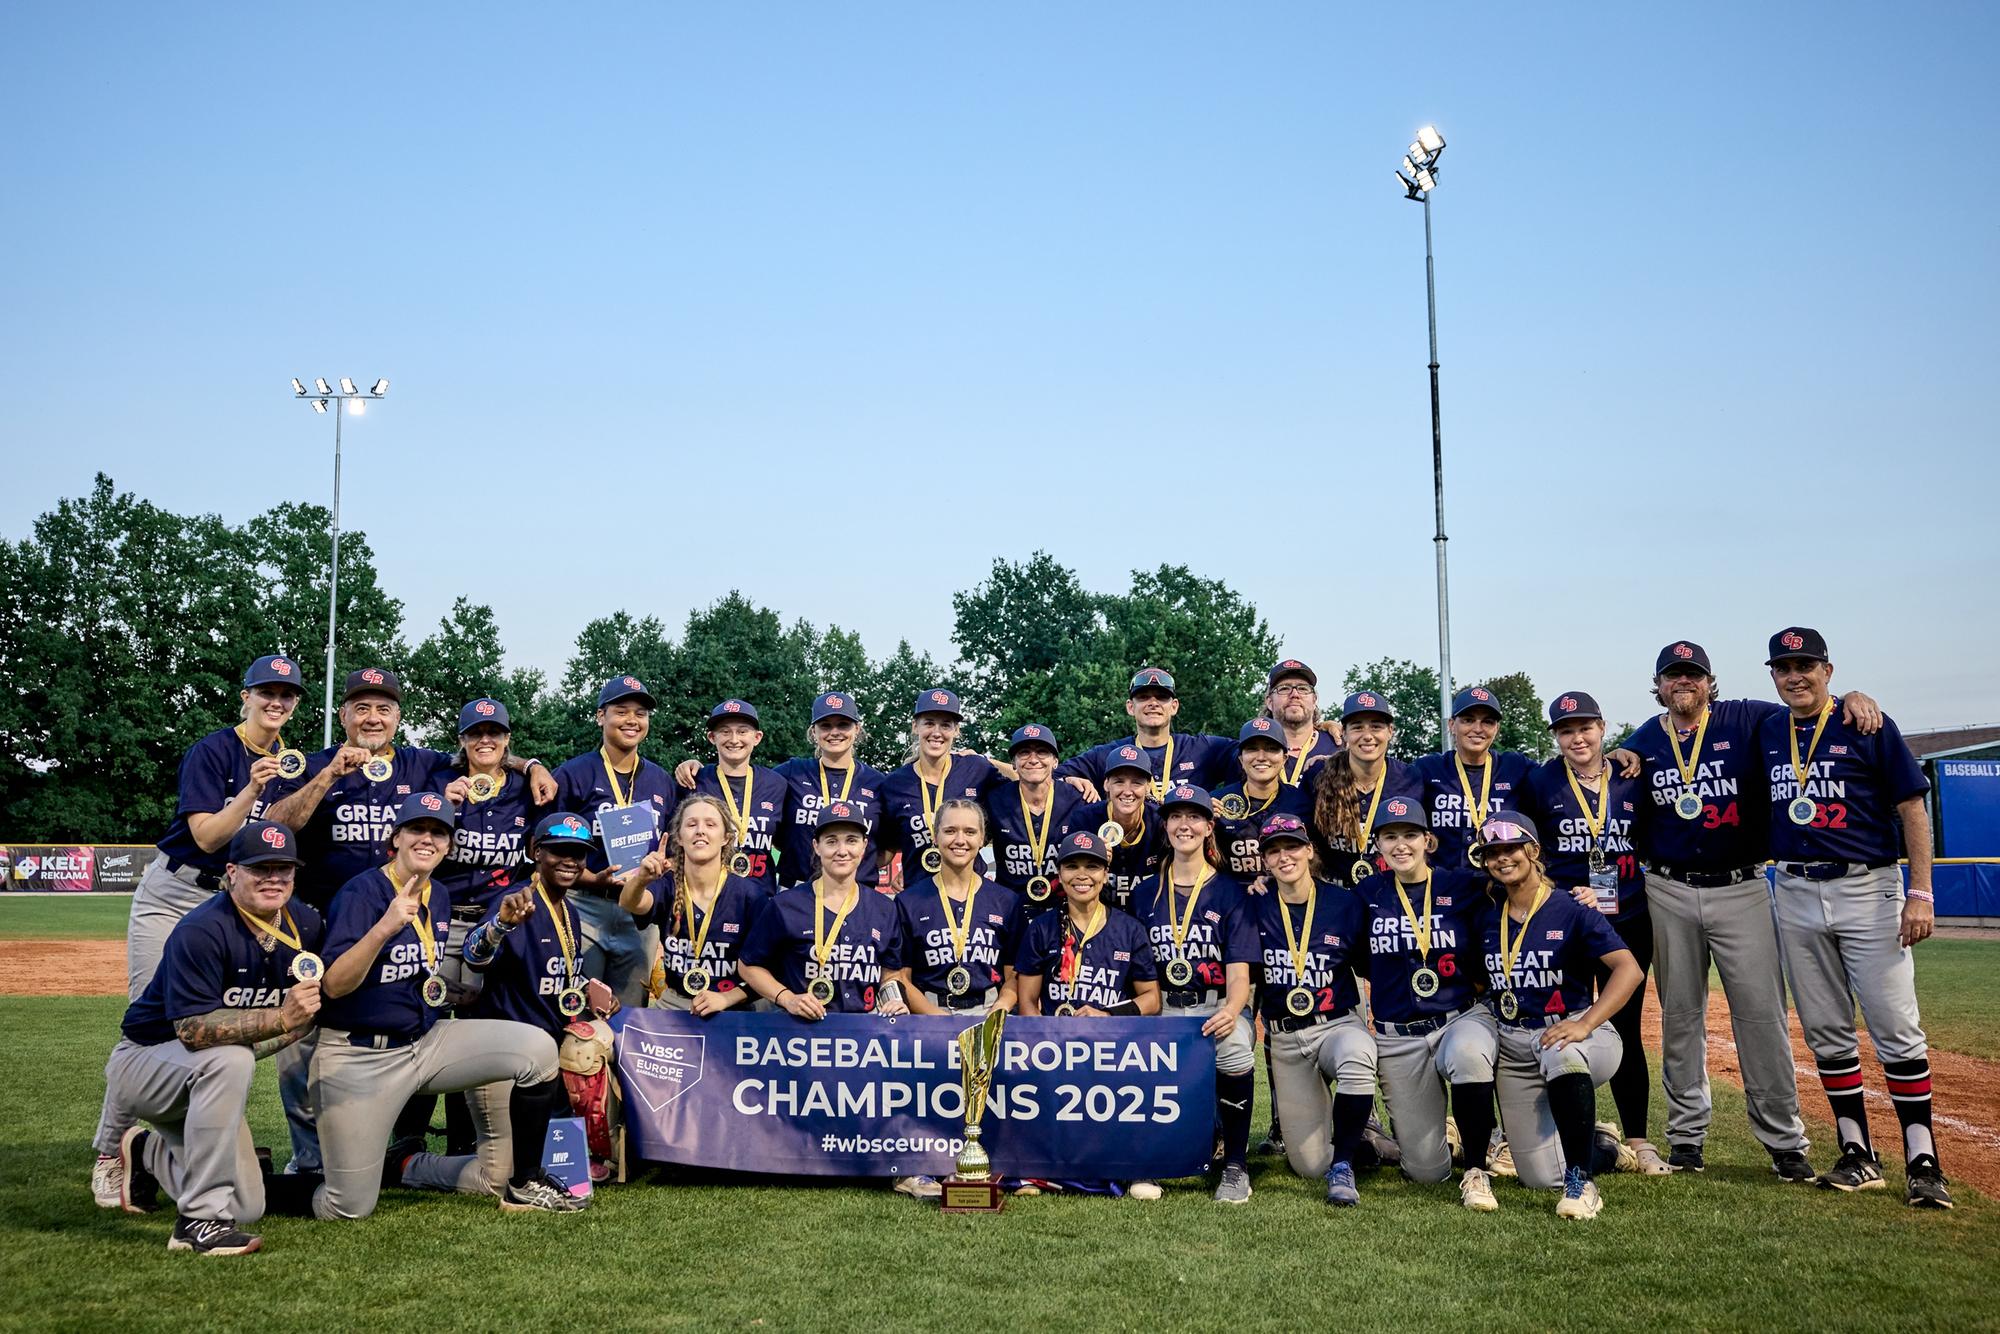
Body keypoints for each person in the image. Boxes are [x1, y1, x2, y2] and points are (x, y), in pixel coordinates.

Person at [1619, 640, 1883, 1178]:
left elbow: (1810, 710)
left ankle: (1785, 1141)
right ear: (1660, 684)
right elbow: (1613, 764)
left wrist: (1852, 695)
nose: (1683, 683)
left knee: (1762, 1017)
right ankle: (1686, 1137)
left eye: (1693, 674)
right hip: (1668, 888)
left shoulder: (1748, 719)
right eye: (1673, 676)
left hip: (1741, 886)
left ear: (1709, 681)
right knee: (1681, 1018)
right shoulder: (1646, 738)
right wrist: (1617, 754)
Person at [304, 792, 582, 1219]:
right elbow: (336, 987)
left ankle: (523, 1181)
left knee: (537, 1049)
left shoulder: (438, 895)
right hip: (361, 1054)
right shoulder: (363, 892)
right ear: (394, 837)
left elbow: (417, 972)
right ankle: (260, 1188)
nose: (428, 839)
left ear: (450, 846)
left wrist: (456, 992)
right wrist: (384, 927)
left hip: (424, 1041)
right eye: (417, 829)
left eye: (439, 833)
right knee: (347, 1206)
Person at [94, 654, 306, 1208]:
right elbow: (210, 838)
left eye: (287, 695)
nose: (276, 702)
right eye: (267, 692)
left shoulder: (291, 761)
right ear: (246, 696)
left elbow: (278, 836)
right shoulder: (215, 751)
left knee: (230, 1017)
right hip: (178, 891)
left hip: (237, 897)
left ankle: (171, 1138)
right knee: (151, 1017)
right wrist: (250, 792)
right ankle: (108, 1149)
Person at [1758, 627, 1949, 1208]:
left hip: (1867, 886)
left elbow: (1911, 806)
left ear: (1828, 670)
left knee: (1895, 1025)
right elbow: (1687, 719)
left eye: (1806, 664)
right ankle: (1856, 1152)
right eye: (1785, 666)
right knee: (1826, 1029)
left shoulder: (1867, 723)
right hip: (1792, 885)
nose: (1796, 675)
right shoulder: (1767, 729)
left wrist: (1922, 891)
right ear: (1772, 675)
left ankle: (1924, 1160)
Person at [99, 821, 323, 1255]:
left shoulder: (305, 924)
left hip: (204, 1074)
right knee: (230, 1059)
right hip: (145, 1064)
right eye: (261, 868)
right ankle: (198, 1223)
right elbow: (192, 1031)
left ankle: (145, 1151)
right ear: (232, 872)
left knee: (248, 1204)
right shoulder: (202, 929)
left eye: (284, 869)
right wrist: (283, 1018)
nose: (274, 879)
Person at [1518, 691, 1664, 1176]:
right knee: (1561, 1020)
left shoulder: (1630, 776)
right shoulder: (1540, 783)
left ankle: (1639, 1141)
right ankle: (1567, 1130)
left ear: (1602, 728)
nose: (1576, 738)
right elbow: (1529, 849)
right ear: (1555, 737)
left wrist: (1630, 754)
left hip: (1627, 915)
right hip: (1567, 920)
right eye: (1565, 730)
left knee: (1625, 1025)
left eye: (1584, 727)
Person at [1477, 813, 1644, 1221]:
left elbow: (1630, 969)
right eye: (1492, 853)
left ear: (1533, 851)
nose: (1502, 859)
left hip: (1576, 1031)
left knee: (1561, 1051)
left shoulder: (1571, 906)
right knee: (1537, 1177)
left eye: (1511, 849)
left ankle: (1582, 1182)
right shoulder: (1486, 912)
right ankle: (1601, 1146)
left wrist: (1586, 1022)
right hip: (1516, 1043)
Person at [1352, 796, 1501, 1210]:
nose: (1401, 845)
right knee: (1425, 1170)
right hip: (1399, 1036)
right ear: (1378, 845)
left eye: (1410, 835)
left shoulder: (1461, 884)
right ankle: (1451, 1136)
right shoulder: (1366, 894)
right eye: (1390, 836)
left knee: (1470, 1054)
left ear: (1428, 840)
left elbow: (1525, 890)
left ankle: (1475, 1169)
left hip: (1459, 1018)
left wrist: (1582, 897)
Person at [459, 811, 620, 1184]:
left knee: (556, 1168)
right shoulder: (515, 901)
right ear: (535, 851)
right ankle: (410, 1164)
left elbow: (558, 976)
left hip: (547, 1052)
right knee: (497, 1176)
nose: (569, 860)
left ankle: (573, 1151)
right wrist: (500, 926)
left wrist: (589, 993)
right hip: (507, 1056)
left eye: (578, 853)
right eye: (558, 850)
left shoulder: (570, 912)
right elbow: (474, 957)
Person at [1015, 828, 1163, 1198]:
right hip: (1054, 1050)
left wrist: (1110, 1016)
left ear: (1105, 874)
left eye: (1092, 866)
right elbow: (1027, 1000)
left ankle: (1135, 1171)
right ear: (1060, 874)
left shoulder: (1129, 929)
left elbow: (1151, 1000)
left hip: (1111, 1048)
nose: (1082, 875)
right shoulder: (1041, 927)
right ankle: (1037, 1173)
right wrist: (1041, 1045)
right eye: (1073, 866)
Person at [1248, 814, 1377, 1206]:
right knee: (1307, 1164)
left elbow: (1369, 966)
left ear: (1309, 850)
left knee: (1357, 1053)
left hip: (1336, 1023)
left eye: (1291, 847)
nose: (1284, 856)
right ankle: (1367, 1142)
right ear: (1265, 861)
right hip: (1286, 1036)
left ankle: (1344, 1165)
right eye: (1273, 850)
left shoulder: (1344, 902)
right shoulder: (1254, 905)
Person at [1138, 785, 1258, 1204]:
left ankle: (1236, 1166)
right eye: (1175, 817)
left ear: (1210, 827)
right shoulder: (1145, 892)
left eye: (1194, 817)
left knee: (1235, 1047)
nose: (1183, 825)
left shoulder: (1230, 891)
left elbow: (1239, 972)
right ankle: (1150, 1158)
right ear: (1165, 825)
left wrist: (1233, 1010)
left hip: (1214, 1004)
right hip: (1163, 1007)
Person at [551, 674, 678, 1008]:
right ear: (600, 716)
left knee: (630, 1013)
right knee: (579, 1007)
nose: (632, 720)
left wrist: (666, 865)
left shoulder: (661, 779)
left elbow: (673, 845)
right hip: (585, 904)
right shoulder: (574, 773)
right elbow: (546, 851)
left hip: (640, 912)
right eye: (621, 711)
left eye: (641, 713)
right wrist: (592, 878)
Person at [738, 801, 910, 1018]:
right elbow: (748, 966)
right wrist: (787, 998)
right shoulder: (785, 905)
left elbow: (890, 972)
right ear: (816, 846)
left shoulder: (884, 908)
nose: (842, 851)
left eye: (851, 841)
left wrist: (893, 1000)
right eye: (831, 841)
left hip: (863, 1036)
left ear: (864, 846)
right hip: (798, 1034)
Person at [618, 795, 767, 1013]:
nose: (700, 830)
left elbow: (769, 967)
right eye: (691, 824)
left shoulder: (749, 895)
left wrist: (726, 998)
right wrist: (641, 879)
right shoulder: (668, 885)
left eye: (710, 824)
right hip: (675, 1002)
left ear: (726, 837)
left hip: (732, 1005)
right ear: (678, 837)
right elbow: (630, 903)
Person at [892, 800, 1022, 1018]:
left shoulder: (1006, 901)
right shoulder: (908, 902)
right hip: (929, 1016)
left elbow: (1014, 976)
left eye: (970, 832)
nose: (960, 840)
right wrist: (937, 1019)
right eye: (950, 831)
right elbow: (902, 977)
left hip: (989, 1012)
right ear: (935, 837)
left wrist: (998, 1011)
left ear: (982, 838)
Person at [877, 688, 1007, 889]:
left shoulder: (976, 769)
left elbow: (1022, 783)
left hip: (973, 893)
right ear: (915, 726)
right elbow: (888, 847)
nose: (936, 733)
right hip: (919, 894)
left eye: (945, 725)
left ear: (956, 730)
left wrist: (987, 759)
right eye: (929, 723)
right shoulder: (894, 784)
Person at [670, 699, 792, 894]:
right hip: (704, 898)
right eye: (725, 731)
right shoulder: (694, 781)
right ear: (712, 737)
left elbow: (785, 839)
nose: (734, 739)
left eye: (743, 731)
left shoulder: (776, 784)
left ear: (757, 737)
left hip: (760, 896)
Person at [1411, 687, 1537, 872]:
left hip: (1499, 886)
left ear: (1496, 729)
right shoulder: (1427, 768)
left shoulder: (1515, 767)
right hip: (1441, 886)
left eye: (1487, 722)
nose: (1478, 729)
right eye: (1468, 720)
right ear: (1452, 725)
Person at [1057, 667, 1239, 796]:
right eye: (1143, 697)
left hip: (1186, 845)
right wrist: (1069, 782)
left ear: (1174, 706)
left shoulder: (1202, 748)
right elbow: (1052, 776)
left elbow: (1254, 753)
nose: (1153, 703)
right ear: (1130, 707)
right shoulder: (1108, 754)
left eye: (1161, 697)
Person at [772, 691, 890, 889]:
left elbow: (887, 847)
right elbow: (749, 782)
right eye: (825, 725)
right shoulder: (793, 772)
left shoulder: (877, 782)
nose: (834, 732)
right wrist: (700, 770)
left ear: (857, 729)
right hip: (797, 891)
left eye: (843, 724)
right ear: (813, 731)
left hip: (857, 894)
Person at [1310, 690, 1424, 889]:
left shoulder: (1410, 778)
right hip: (1334, 894)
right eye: (1357, 727)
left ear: (1390, 731)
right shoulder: (1319, 774)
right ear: (1344, 733)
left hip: (1390, 896)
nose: (1367, 736)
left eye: (1376, 727)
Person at [983, 723, 1082, 904]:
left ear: (1055, 761)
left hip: (1065, 908)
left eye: (1042, 752)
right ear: (1013, 763)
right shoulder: (995, 799)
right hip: (1010, 908)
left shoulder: (1078, 799)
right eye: (1024, 752)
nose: (1033, 759)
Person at [1061, 747, 1164, 913]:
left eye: (1137, 782)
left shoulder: (1161, 822)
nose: (1128, 791)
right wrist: (1092, 862)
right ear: (1106, 784)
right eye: (1119, 781)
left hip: (1150, 915)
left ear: (1148, 787)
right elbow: (1069, 877)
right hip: (1098, 916)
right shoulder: (1084, 819)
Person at [1212, 718, 1312, 881]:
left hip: (1283, 897)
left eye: (1271, 749)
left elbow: (1316, 858)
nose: (1261, 757)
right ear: (1241, 760)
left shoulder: (1302, 801)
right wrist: (1201, 819)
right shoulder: (1217, 801)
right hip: (1232, 901)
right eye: (1252, 749)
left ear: (1284, 759)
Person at [1262, 659, 1340, 786]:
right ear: (1270, 702)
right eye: (1284, 688)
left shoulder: (1340, 746)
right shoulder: (1251, 752)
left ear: (1314, 700)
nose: (1295, 694)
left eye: (1303, 688)